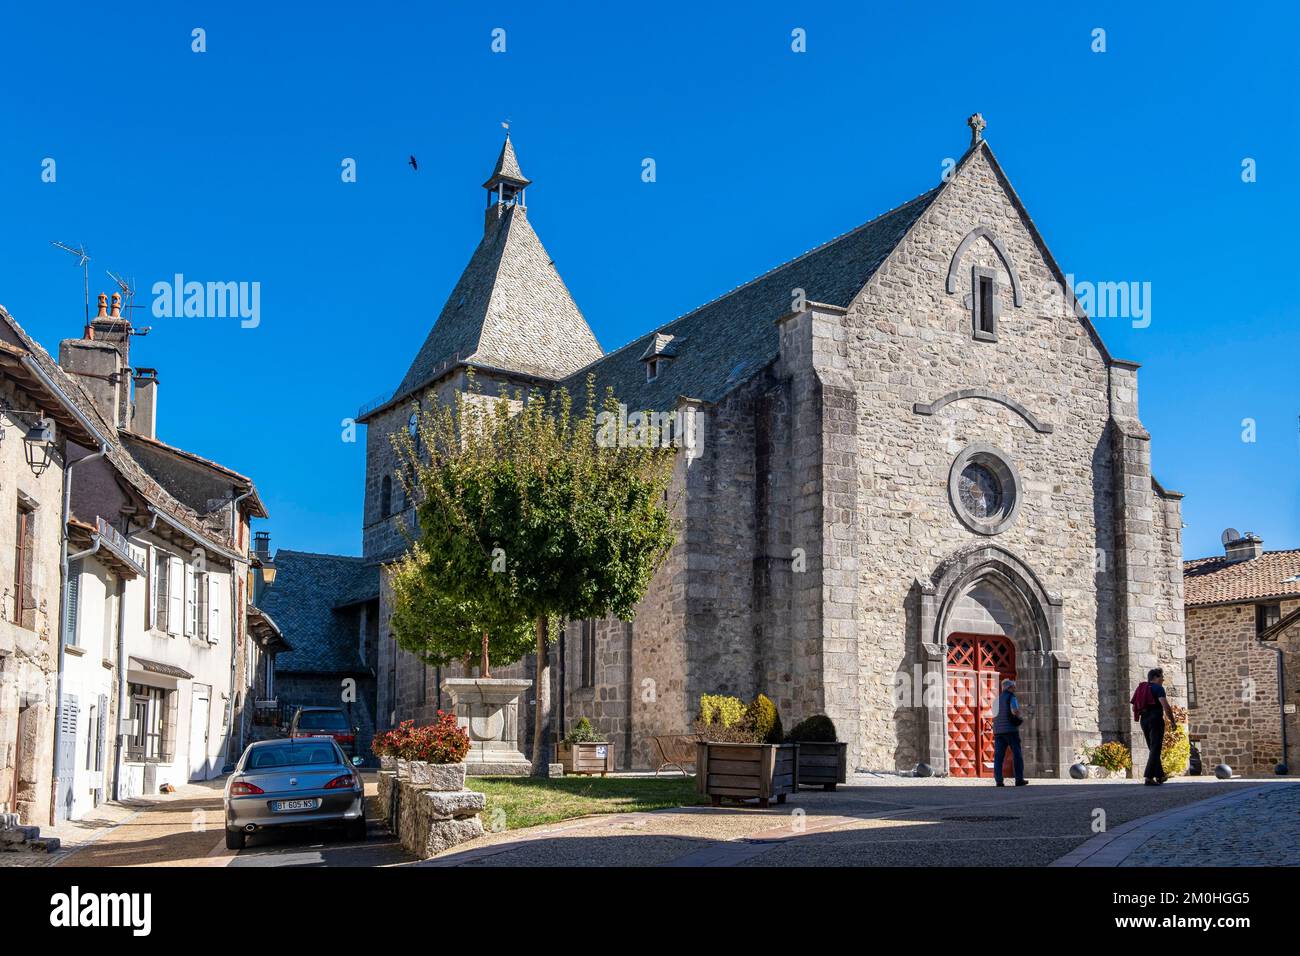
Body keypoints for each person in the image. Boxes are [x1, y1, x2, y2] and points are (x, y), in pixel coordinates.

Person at [1132, 667, 1176, 785]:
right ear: (1155, 678)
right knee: (1156, 748)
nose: (1163, 679)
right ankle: (1148, 777)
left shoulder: (1140, 688)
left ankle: (1160, 776)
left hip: (1144, 720)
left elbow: (1134, 706)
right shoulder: (1158, 689)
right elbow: (1165, 706)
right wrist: (1172, 721)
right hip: (1155, 719)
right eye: (1161, 677)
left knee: (1153, 748)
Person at [992, 678, 1027, 787]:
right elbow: (1015, 710)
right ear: (1009, 688)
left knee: (998, 757)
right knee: (1017, 755)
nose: (1015, 688)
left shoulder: (996, 700)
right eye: (1013, 687)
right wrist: (1019, 717)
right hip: (1010, 730)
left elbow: (994, 716)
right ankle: (1019, 779)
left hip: (998, 731)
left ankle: (999, 781)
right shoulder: (1011, 697)